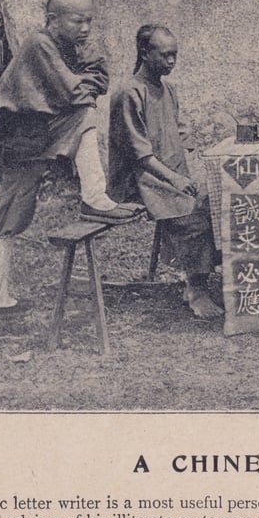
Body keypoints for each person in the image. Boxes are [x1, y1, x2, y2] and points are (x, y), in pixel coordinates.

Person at [0, 0, 140, 318]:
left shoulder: (66, 46)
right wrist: (83, 84)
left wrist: (84, 76)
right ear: (53, 19)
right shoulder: (40, 44)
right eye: (78, 21)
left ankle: (95, 197)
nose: (85, 28)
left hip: (41, 133)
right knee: (10, 217)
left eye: (89, 21)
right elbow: (76, 92)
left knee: (84, 113)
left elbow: (99, 80)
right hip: (19, 141)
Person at [107, 25, 221, 318]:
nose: (171, 62)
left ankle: (197, 280)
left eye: (175, 55)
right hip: (139, 181)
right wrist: (175, 179)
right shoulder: (128, 93)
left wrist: (198, 167)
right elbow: (139, 154)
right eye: (165, 55)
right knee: (195, 218)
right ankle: (196, 290)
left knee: (217, 204)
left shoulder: (168, 89)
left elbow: (180, 137)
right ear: (145, 53)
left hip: (171, 176)